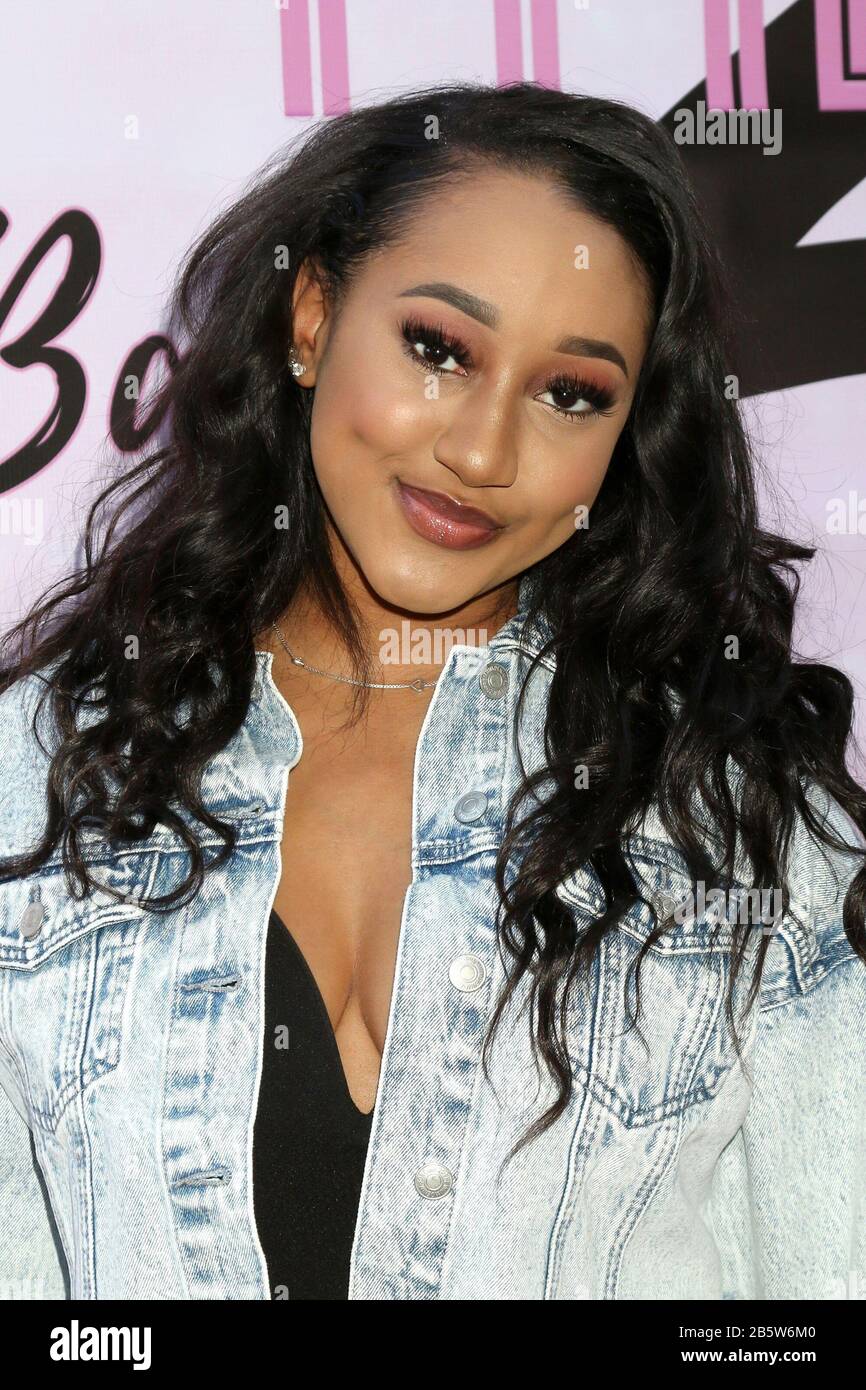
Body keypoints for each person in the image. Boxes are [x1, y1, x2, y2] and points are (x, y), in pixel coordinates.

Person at [0, 81, 864, 1302]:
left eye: (569, 393)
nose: (480, 452)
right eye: (439, 349)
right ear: (311, 317)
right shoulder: (38, 781)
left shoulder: (730, 817)